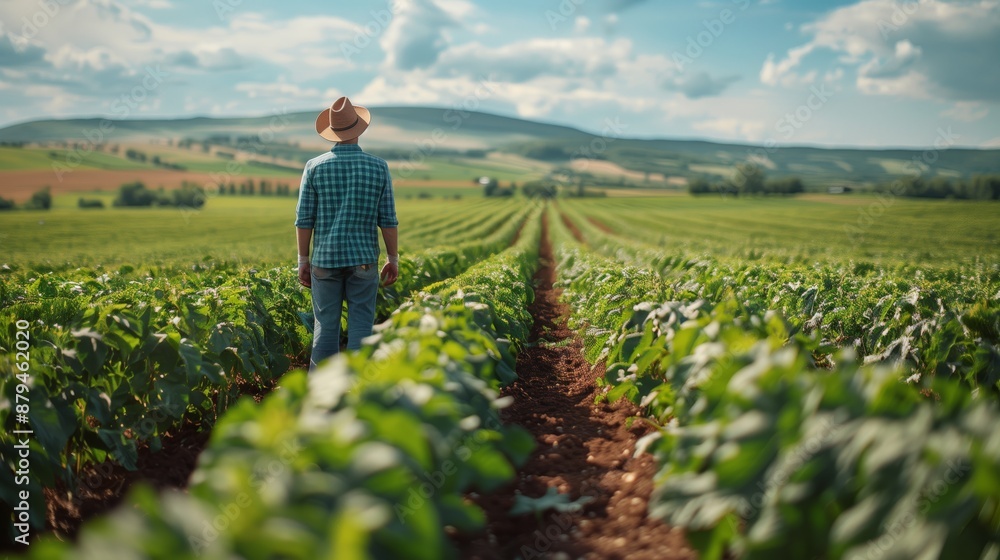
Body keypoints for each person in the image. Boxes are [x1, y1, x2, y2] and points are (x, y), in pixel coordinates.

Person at [295, 96, 399, 370]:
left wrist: (302, 261)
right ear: (359, 129)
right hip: (363, 259)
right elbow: (388, 220)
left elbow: (303, 220)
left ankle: (320, 396)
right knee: (362, 328)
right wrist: (393, 258)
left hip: (324, 261)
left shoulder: (314, 167)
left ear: (332, 132)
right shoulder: (378, 167)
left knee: (325, 328)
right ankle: (358, 392)